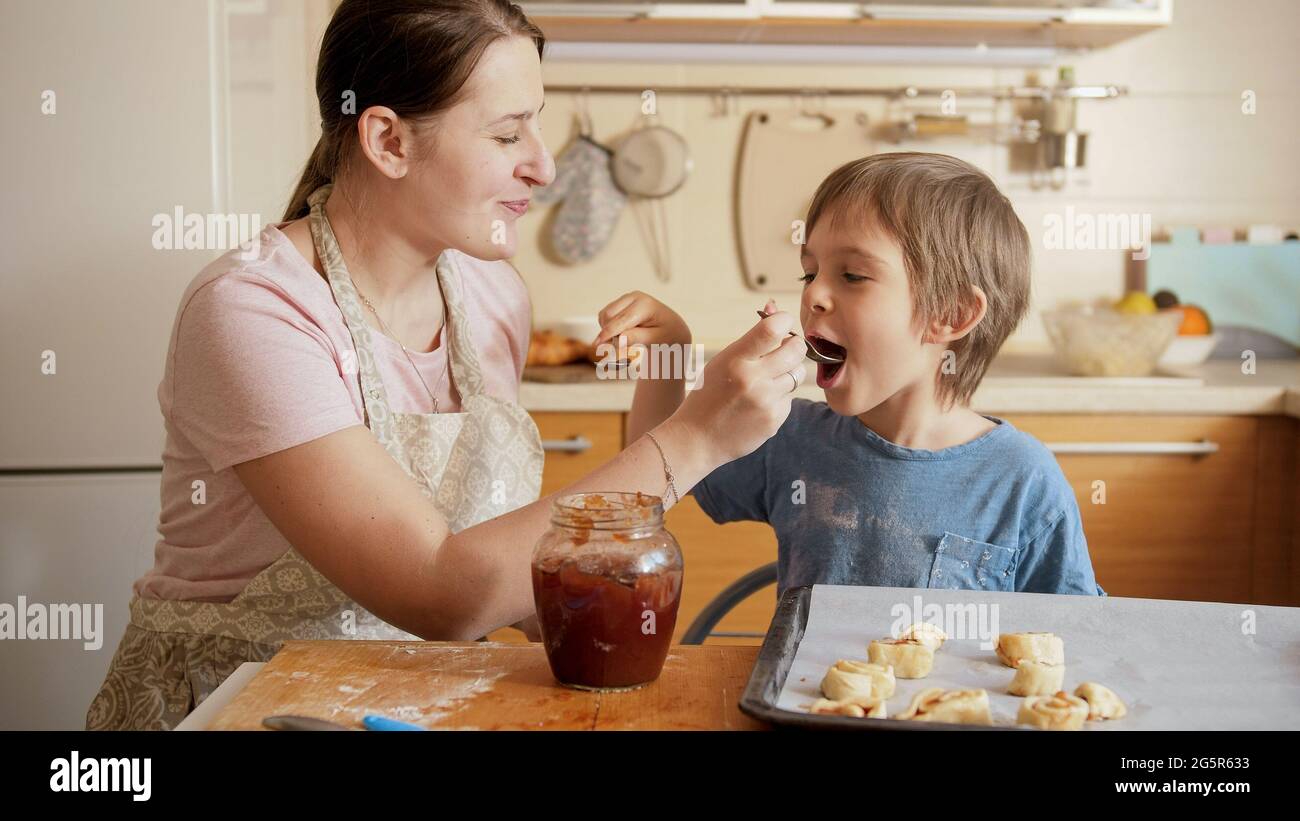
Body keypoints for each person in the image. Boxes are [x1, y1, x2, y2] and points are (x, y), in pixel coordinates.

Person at [86, 0, 809, 730]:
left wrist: (667, 373)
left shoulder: (490, 295)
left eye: (537, 120)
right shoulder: (253, 310)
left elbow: (506, 579)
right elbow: (442, 592)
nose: (544, 163)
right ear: (389, 141)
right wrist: (697, 436)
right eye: (507, 132)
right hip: (235, 705)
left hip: (407, 705)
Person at [606, 152, 1105, 598]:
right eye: (810, 272)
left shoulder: (1022, 479)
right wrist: (667, 354)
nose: (813, 295)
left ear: (950, 314)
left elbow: (1075, 637)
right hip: (805, 702)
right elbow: (656, 478)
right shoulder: (789, 436)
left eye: (851, 276)